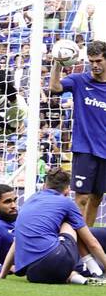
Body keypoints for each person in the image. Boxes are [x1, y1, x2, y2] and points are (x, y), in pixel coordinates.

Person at [0, 167, 106, 284]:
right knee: (71, 223)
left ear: (44, 186)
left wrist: (2, 275)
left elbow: (16, 242)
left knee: (56, 269)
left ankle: (83, 279)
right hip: (57, 258)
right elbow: (92, 243)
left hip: (33, 273)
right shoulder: (67, 203)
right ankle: (96, 271)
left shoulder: (29, 200)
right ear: (67, 191)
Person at [49, 38, 106, 226]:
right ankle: (76, 243)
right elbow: (55, 87)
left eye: (99, 61)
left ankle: (87, 240)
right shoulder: (79, 80)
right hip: (84, 149)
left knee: (97, 198)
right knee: (81, 199)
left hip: (104, 151)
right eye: (92, 61)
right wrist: (57, 64)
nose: (95, 65)